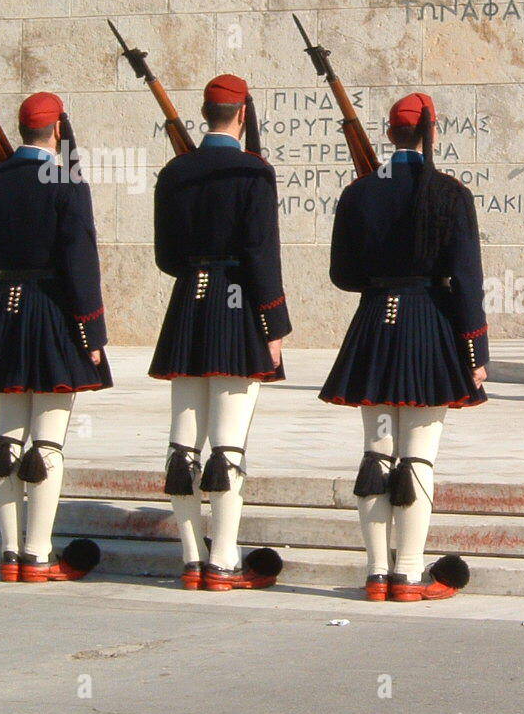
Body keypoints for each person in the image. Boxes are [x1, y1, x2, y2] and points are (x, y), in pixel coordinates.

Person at [321, 92, 485, 603]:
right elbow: (467, 282)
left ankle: (375, 573)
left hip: (374, 324)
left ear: (390, 134)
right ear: (431, 133)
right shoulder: (450, 194)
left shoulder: (358, 193)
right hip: (428, 326)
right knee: (418, 460)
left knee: (377, 455)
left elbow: (342, 275)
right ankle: (409, 575)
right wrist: (476, 353)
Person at [0, 92, 108, 582]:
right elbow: (80, 261)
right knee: (47, 442)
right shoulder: (66, 180)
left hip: (5, 308)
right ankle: (39, 555)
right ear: (58, 129)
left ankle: (9, 553)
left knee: (7, 438)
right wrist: (92, 329)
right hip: (53, 311)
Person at [150, 74, 289, 591]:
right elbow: (260, 253)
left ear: (205, 113)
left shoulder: (175, 170)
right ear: (243, 114)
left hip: (189, 303)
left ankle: (191, 558)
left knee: (183, 445)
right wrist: (273, 322)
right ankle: (223, 560)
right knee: (227, 446)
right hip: (237, 307)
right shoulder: (253, 172)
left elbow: (166, 257)